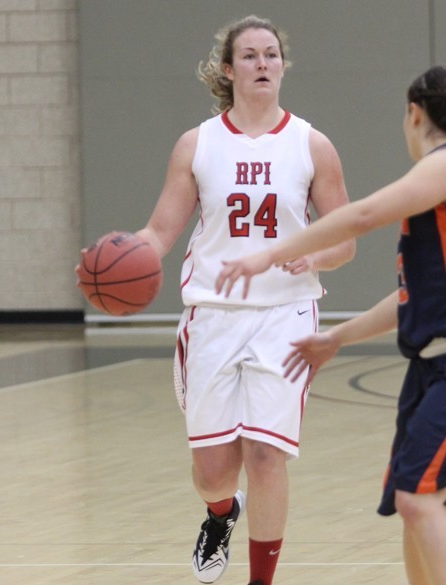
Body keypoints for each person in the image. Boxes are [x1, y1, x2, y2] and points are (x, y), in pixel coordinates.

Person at [216, 65, 446, 585]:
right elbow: (412, 299)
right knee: (413, 501)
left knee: (418, 500)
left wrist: (267, 254)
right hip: (439, 365)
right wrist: (337, 338)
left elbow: (362, 217)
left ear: (414, 114)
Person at [130, 15, 355, 585]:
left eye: (271, 54)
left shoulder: (311, 145)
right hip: (213, 313)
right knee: (214, 472)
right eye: (250, 56)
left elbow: (345, 240)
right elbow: (159, 232)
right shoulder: (197, 145)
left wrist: (316, 258)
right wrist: (118, 255)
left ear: (283, 66)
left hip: (286, 317)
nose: (262, 64)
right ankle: (221, 513)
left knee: (265, 455)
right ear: (228, 70)